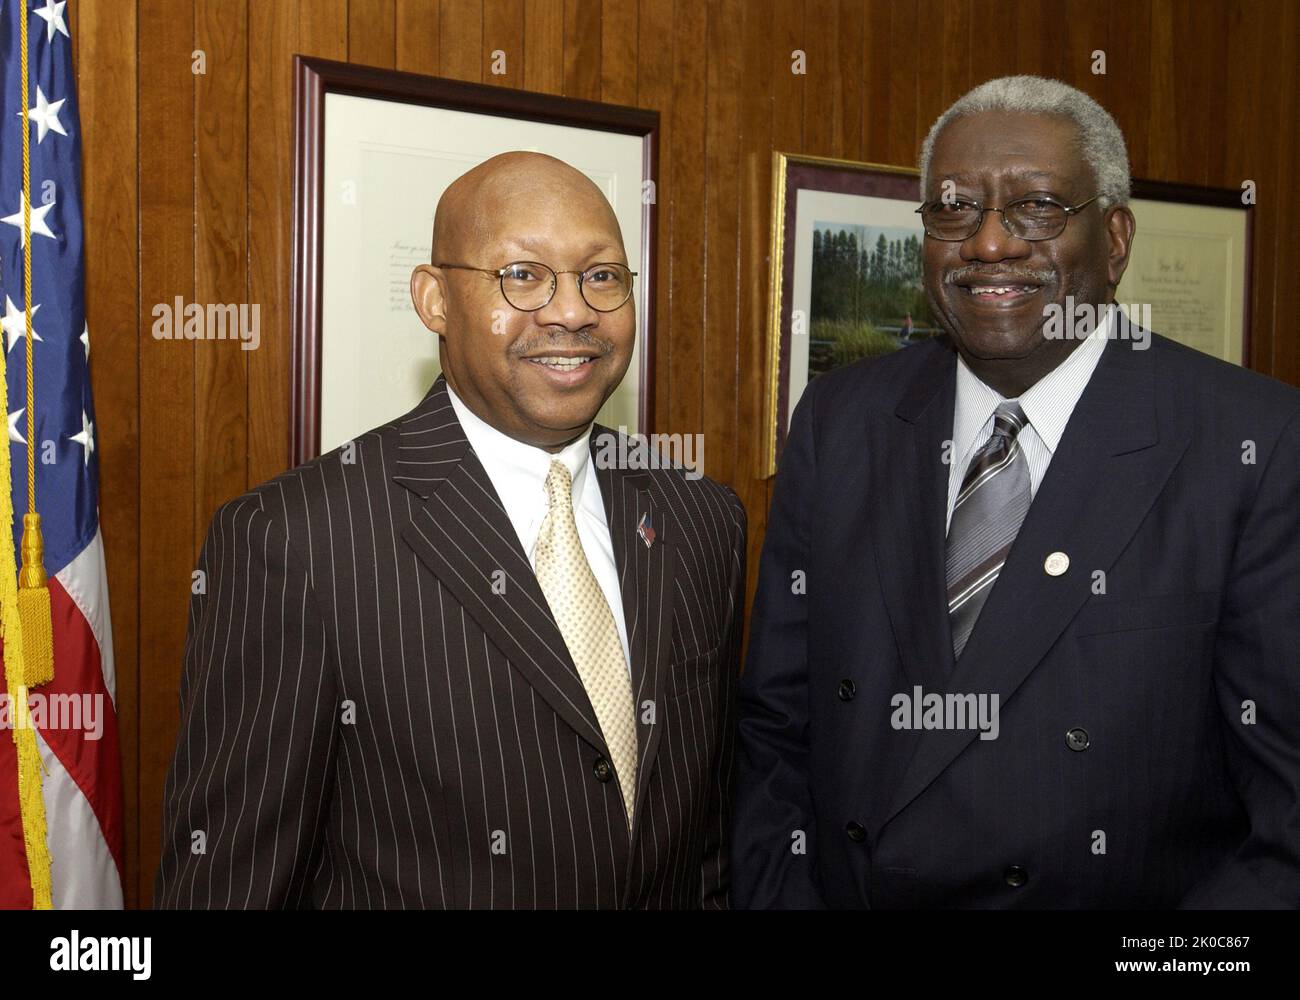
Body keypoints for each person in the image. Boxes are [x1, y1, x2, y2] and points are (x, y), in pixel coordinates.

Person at [733, 76, 1300, 908]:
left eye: (1037, 207)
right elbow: (775, 731)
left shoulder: (1253, 443)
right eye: (954, 209)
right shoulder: (842, 422)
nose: (990, 244)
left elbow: (1285, 824)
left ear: (1113, 240)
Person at [155, 151, 746, 909]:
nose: (571, 311)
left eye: (602, 277)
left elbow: (706, 845)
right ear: (434, 301)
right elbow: (227, 887)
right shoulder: (295, 542)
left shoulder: (702, 517)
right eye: (523, 275)